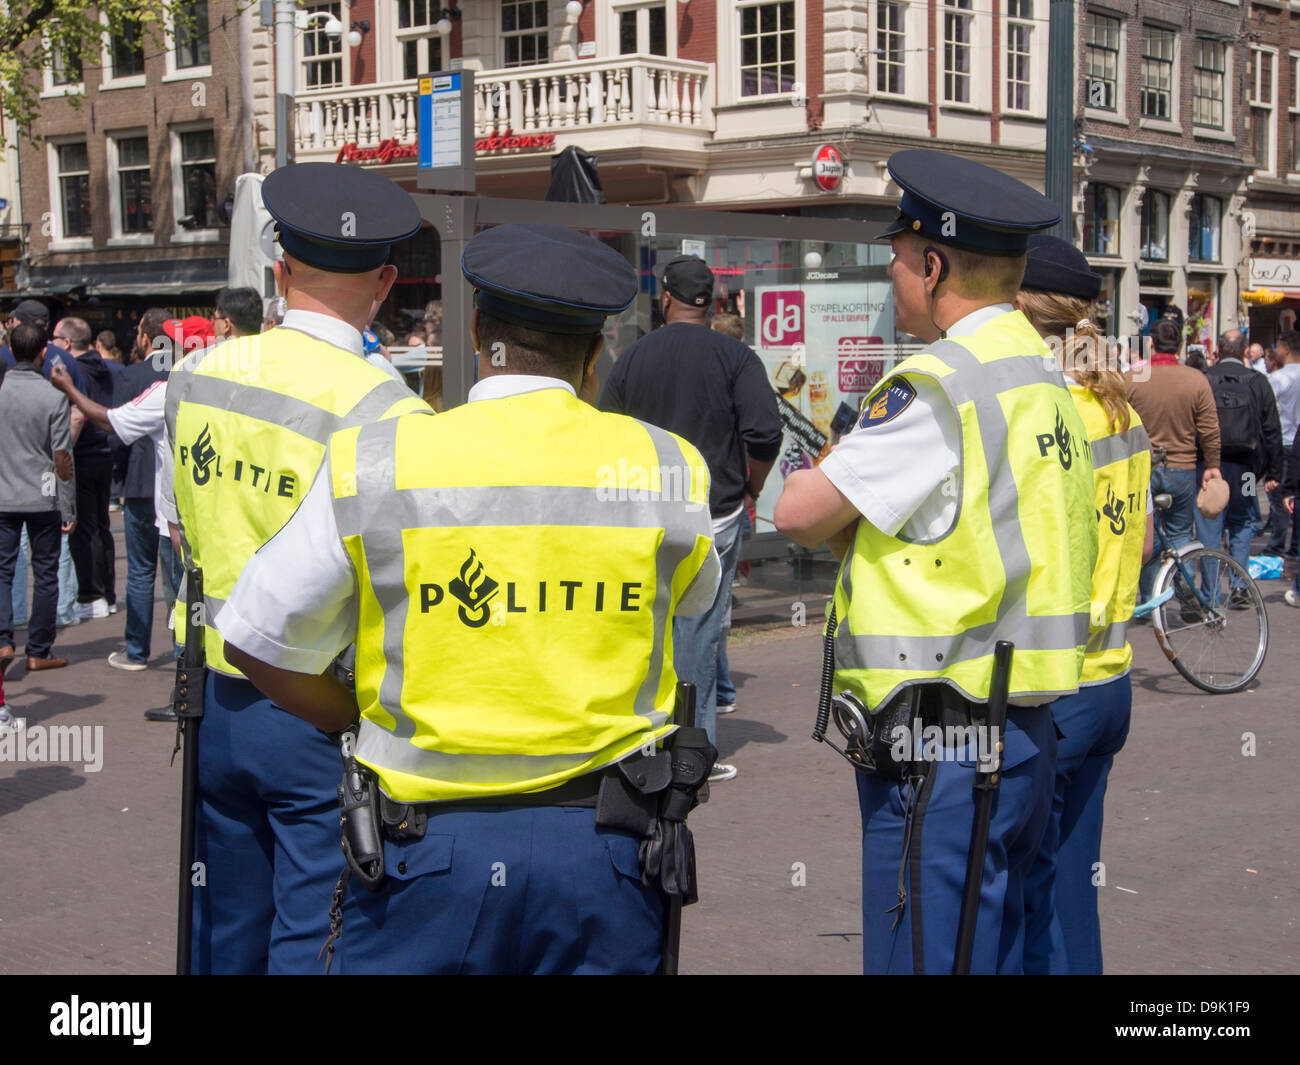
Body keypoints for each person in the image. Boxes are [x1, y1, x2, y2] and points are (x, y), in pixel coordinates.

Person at [217, 222, 721, 974]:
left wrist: (347, 714)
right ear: (596, 352)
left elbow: (253, 638)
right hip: (604, 854)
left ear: (480, 330)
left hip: (425, 857)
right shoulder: (663, 464)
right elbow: (692, 601)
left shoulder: (377, 459)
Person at [773, 149, 1097, 975]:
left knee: (922, 953)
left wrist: (841, 461)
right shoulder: (1041, 376)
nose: (889, 273)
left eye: (897, 254)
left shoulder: (937, 385)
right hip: (1024, 725)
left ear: (935, 262)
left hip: (938, 736)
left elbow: (797, 515)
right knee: (991, 948)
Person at [160, 161, 429, 974]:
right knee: (318, 929)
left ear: (280, 272)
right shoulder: (390, 409)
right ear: (384, 281)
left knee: (221, 929)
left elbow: (180, 528)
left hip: (208, 698)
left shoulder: (194, 376)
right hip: (320, 705)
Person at [1014, 236, 1152, 974]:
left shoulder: (1048, 411)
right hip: (1113, 679)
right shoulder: (1118, 407)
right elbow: (1146, 536)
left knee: (1028, 900)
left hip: (1057, 686)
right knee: (1074, 887)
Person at [600, 255, 782, 782]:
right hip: (715, 511)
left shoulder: (632, 357)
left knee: (645, 622)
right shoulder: (737, 357)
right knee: (700, 629)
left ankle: (642, 738)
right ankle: (692, 749)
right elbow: (765, 433)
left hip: (646, 512)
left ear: (664, 301)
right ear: (714, 304)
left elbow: (606, 432)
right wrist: (753, 484)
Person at [51, 315, 213, 677]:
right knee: (200, 596)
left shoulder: (166, 386)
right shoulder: (233, 385)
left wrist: (70, 391)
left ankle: (166, 667)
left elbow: (114, 424)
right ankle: (198, 674)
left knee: (160, 585)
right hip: (208, 512)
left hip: (166, 508)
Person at [0, 322, 77, 679]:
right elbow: (62, 455)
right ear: (43, 353)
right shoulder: (53, 397)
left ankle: (3, 640)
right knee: (45, 573)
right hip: (43, 495)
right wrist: (68, 505)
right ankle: (39, 650)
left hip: (3, 495)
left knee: (3, 570)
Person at [1127, 318, 1221, 601]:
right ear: (1179, 345)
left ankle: (1151, 598)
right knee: (1181, 532)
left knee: (1149, 535)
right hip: (1182, 466)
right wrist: (1213, 465)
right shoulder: (1195, 379)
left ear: (1150, 344)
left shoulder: (1133, 379)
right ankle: (1187, 588)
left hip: (1144, 465)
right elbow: (1209, 429)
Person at [1196, 330, 1284, 605]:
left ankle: (1210, 594)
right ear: (1245, 351)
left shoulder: (1206, 379)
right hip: (1246, 467)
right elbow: (1272, 429)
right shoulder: (1258, 382)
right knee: (1242, 521)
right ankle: (1239, 586)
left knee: (1210, 526)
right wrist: (1274, 470)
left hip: (1211, 466)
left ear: (1219, 350)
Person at [55, 316, 118, 621]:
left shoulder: (73, 371)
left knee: (86, 528)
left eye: (55, 338)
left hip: (82, 454)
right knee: (101, 526)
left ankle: (92, 595)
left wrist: (61, 451)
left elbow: (77, 416)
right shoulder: (104, 367)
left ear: (67, 343)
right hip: (104, 453)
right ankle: (107, 593)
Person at [1266, 330, 1300, 558]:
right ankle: (1296, 544)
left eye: (1278, 347)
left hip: (1285, 442)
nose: (1276, 351)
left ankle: (1277, 543)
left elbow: (1267, 412)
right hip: (1295, 439)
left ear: (1286, 348)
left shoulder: (1278, 378)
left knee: (1280, 497)